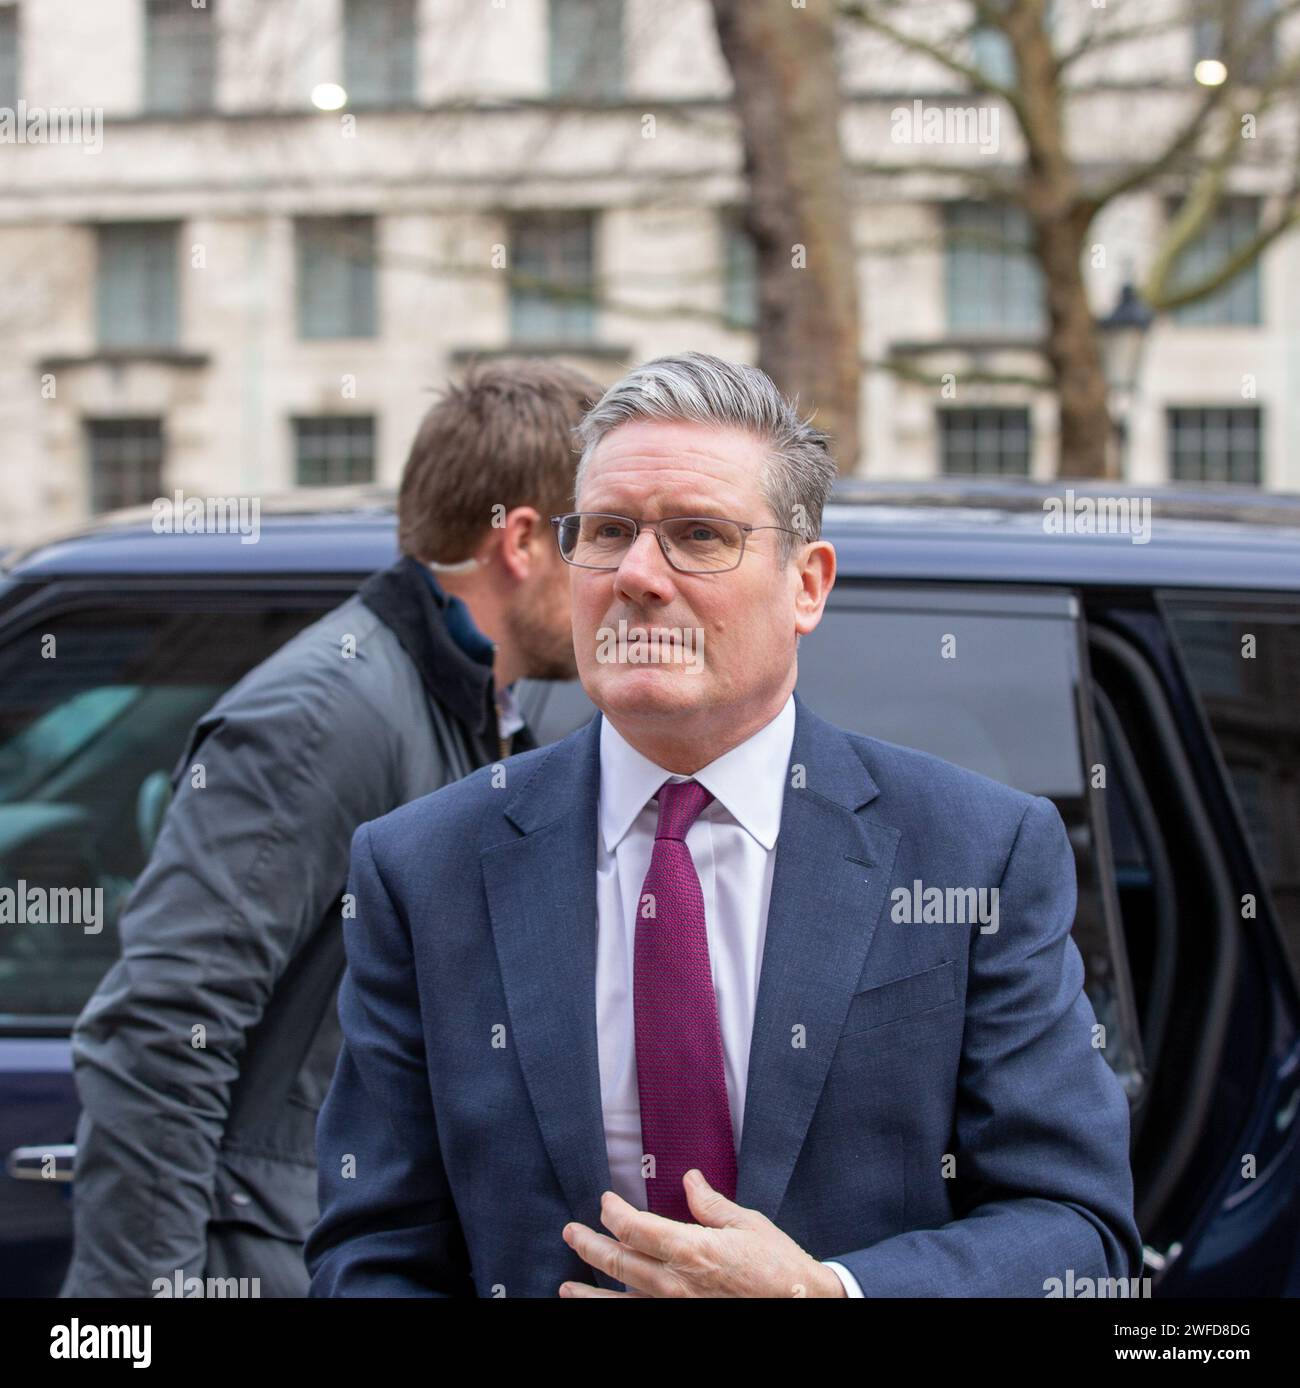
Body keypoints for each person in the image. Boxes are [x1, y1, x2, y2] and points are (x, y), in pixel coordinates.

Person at [305, 351, 1142, 1298]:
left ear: (807, 585)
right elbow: (371, 1248)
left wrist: (824, 1295)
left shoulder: (977, 853)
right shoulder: (424, 866)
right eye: (608, 531)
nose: (637, 575)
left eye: (698, 536)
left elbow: (1077, 1231)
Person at [60, 358, 602, 1297]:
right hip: (265, 1258)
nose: (621, 575)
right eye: (597, 536)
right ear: (520, 541)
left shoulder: (473, 706)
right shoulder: (325, 716)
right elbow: (158, 1030)